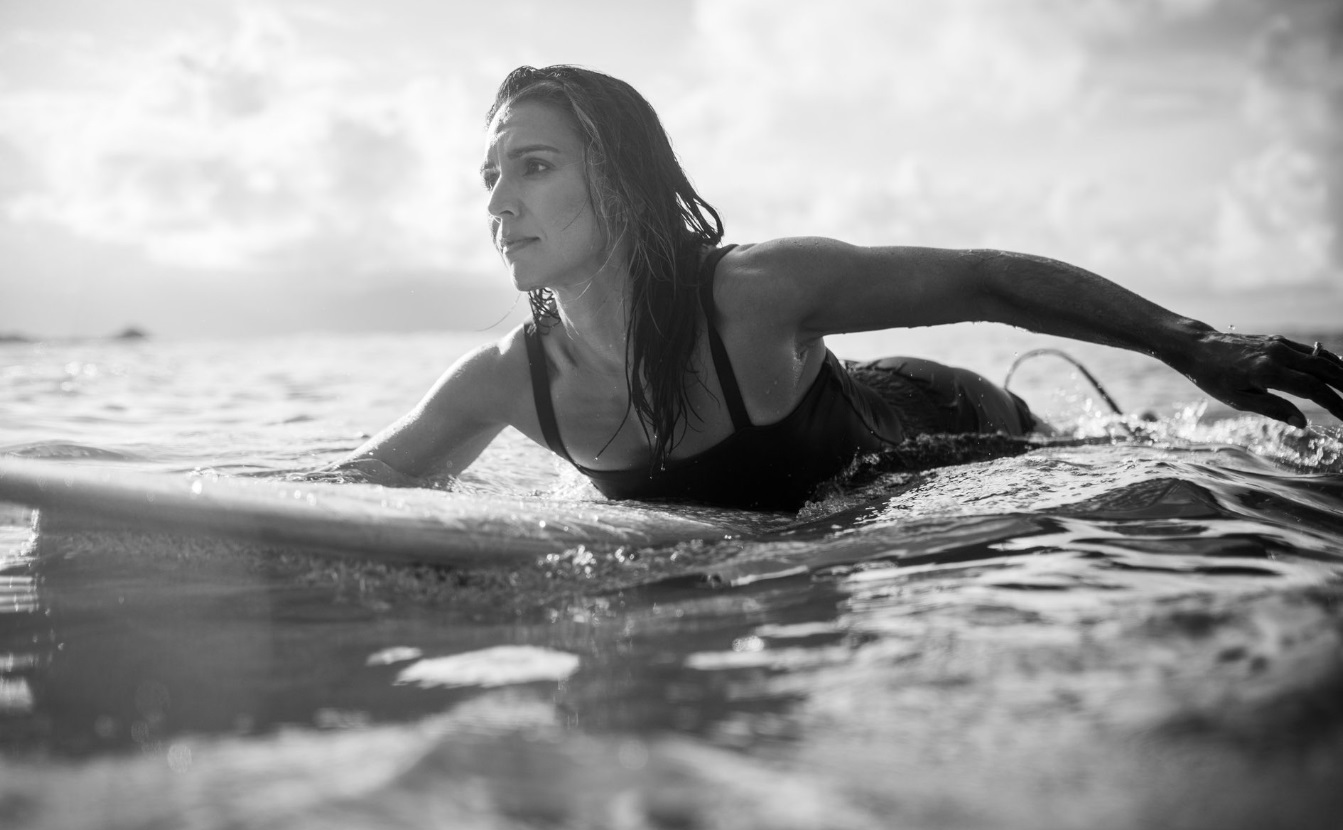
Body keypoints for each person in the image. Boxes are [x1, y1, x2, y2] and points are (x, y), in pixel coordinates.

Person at [325, 65, 1343, 511]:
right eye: (490, 174)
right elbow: (359, 486)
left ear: (624, 183)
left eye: (534, 166)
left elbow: (982, 277)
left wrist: (1191, 343)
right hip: (834, 484)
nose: (499, 200)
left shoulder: (755, 293)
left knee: (1109, 463)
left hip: (947, 427)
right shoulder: (510, 383)